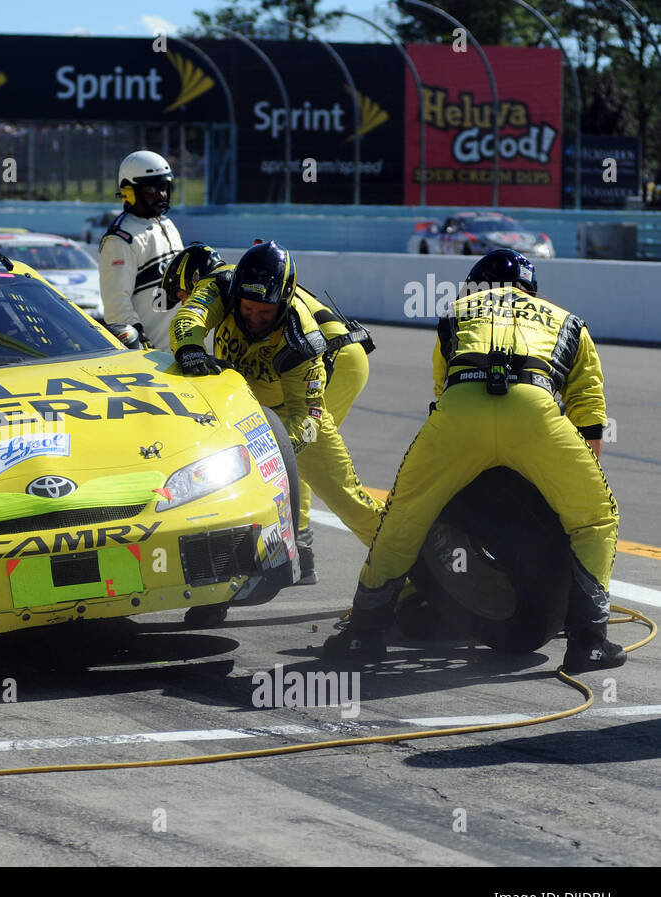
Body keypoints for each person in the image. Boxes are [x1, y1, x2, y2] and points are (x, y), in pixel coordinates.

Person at [326, 250, 623, 674]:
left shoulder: (456, 312)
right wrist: (575, 486)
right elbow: (590, 413)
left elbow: (441, 389)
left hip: (461, 408)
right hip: (535, 411)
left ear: (475, 284)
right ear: (532, 290)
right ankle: (589, 644)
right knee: (596, 519)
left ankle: (364, 633)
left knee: (404, 515)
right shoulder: (567, 320)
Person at [167, 240, 384, 613]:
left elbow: (310, 418)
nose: (253, 318)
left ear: (283, 302)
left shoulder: (303, 338)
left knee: (340, 494)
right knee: (215, 486)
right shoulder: (220, 285)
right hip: (258, 399)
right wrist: (189, 348)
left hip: (307, 394)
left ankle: (414, 574)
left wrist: (276, 449)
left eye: (265, 312)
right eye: (246, 308)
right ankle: (222, 586)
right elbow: (188, 320)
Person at [97, 150, 183, 350]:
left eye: (164, 187)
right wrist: (141, 343)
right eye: (151, 189)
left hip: (181, 348)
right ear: (129, 192)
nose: (161, 195)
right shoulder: (119, 240)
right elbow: (116, 307)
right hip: (154, 356)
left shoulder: (168, 224)